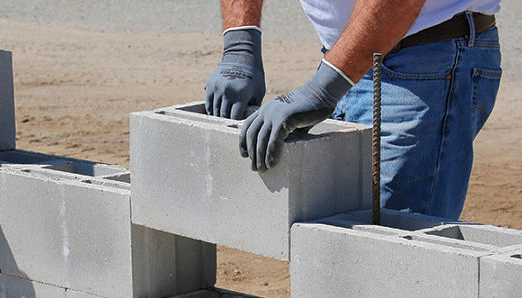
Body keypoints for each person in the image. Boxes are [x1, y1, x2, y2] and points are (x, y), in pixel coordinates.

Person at [204, 0, 501, 220]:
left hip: (423, 60)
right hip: (346, 60)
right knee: (339, 245)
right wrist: (239, 44)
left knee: (391, 256)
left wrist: (325, 87)